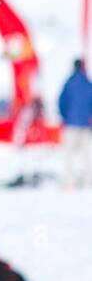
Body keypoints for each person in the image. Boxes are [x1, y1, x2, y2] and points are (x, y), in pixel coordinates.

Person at [57, 58, 92, 187]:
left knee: (69, 155)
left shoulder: (69, 83)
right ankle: (88, 181)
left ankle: (69, 182)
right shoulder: (88, 84)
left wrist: (65, 117)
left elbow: (61, 102)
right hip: (85, 125)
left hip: (70, 125)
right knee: (87, 156)